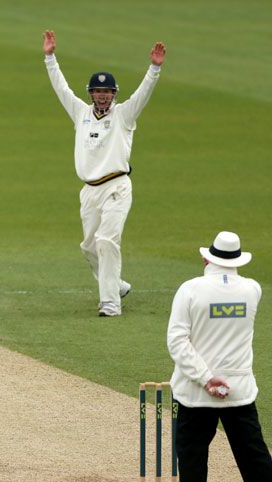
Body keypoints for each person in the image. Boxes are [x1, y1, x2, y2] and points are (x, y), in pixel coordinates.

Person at [166, 231, 272, 482]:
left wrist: (205, 378)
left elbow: (177, 341)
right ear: (237, 261)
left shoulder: (191, 290)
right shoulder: (252, 290)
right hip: (238, 390)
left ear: (207, 258)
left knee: (192, 460)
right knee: (255, 458)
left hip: (196, 392)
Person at [42, 29, 165, 317]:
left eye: (107, 92)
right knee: (89, 247)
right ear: (91, 94)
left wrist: (154, 68)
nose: (102, 96)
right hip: (89, 190)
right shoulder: (80, 113)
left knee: (107, 241)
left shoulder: (124, 115)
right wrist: (50, 58)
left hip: (117, 187)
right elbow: (61, 88)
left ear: (113, 94)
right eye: (97, 92)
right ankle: (116, 284)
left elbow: (143, 94)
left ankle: (110, 302)